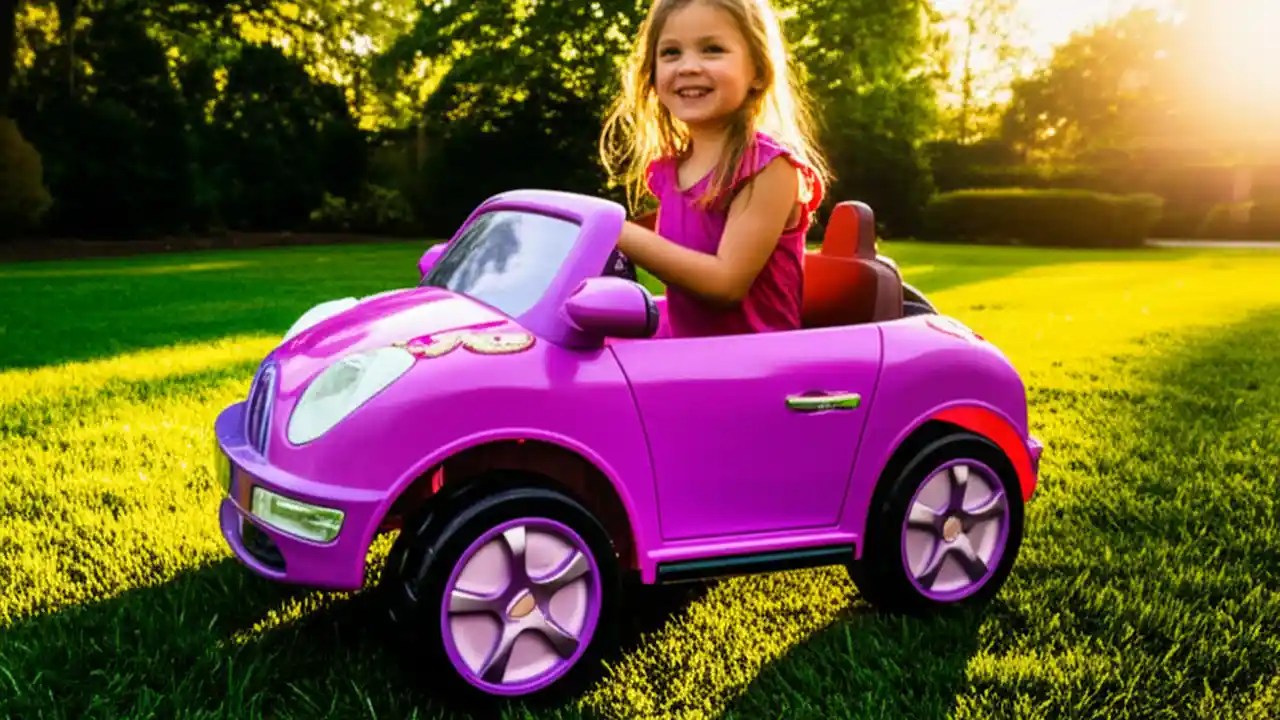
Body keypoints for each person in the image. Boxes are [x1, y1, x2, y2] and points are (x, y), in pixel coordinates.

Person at [599, 0, 832, 338]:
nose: (688, 66)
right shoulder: (671, 170)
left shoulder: (768, 168)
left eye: (712, 49)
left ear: (759, 72)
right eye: (670, 53)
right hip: (691, 358)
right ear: (652, 72)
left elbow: (726, 284)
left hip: (755, 367)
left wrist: (616, 230)